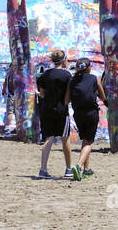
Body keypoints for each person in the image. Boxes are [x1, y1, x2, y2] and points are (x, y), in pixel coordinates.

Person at [66, 58, 106, 181]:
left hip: (78, 114)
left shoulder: (72, 80)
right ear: (89, 67)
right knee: (89, 142)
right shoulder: (94, 78)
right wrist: (105, 100)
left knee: (85, 140)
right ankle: (78, 166)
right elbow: (102, 95)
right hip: (91, 112)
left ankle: (86, 169)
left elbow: (66, 100)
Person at [36, 50, 74, 180]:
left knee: (48, 138)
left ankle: (43, 169)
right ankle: (68, 168)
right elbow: (67, 97)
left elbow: (42, 93)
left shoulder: (45, 74)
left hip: (46, 108)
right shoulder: (67, 76)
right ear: (64, 60)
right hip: (61, 110)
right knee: (65, 138)